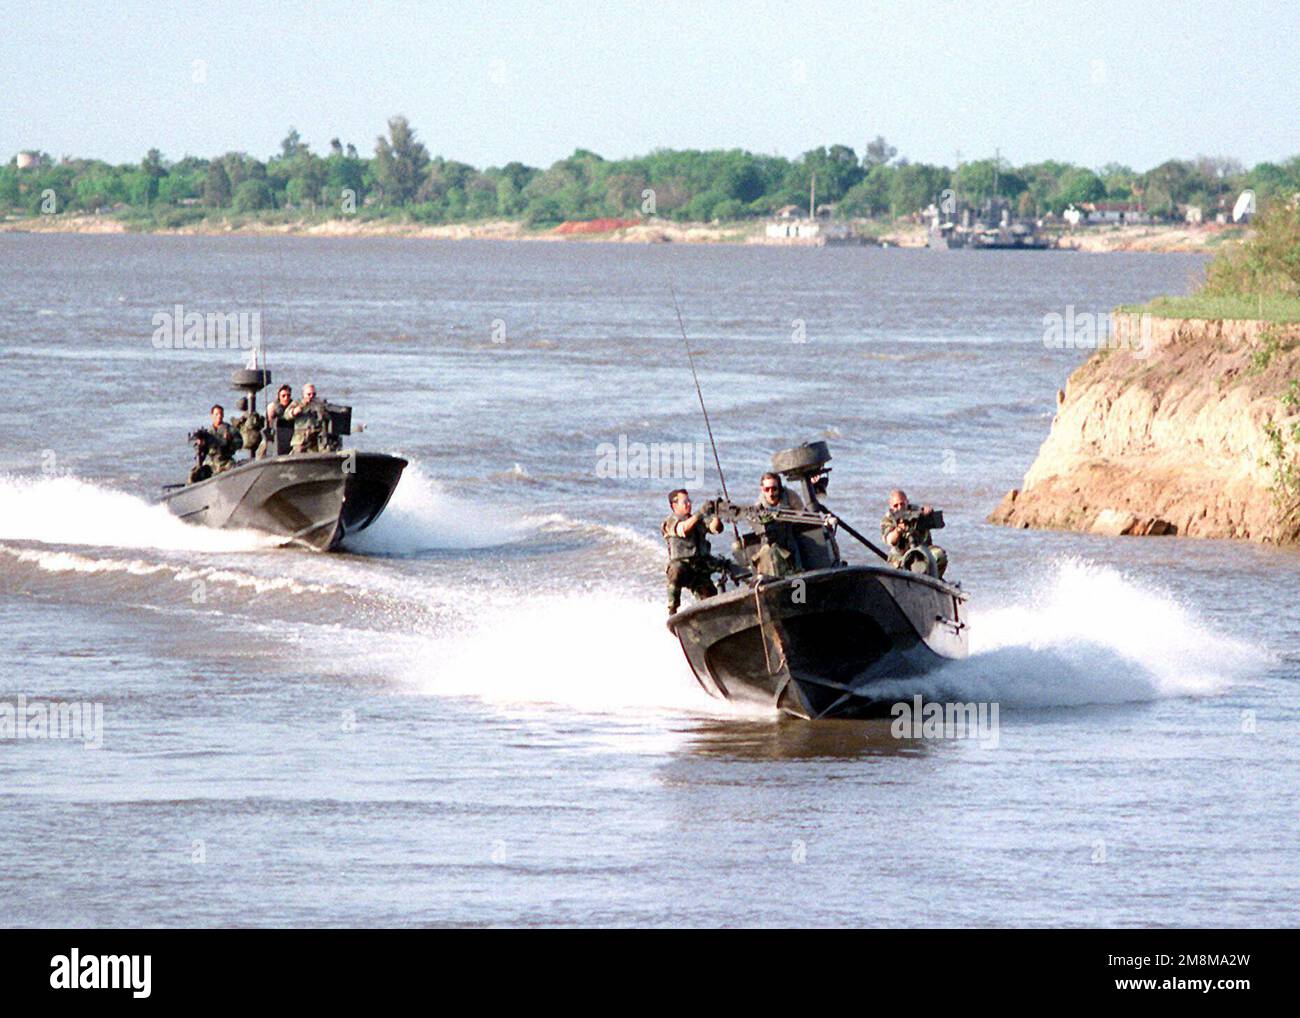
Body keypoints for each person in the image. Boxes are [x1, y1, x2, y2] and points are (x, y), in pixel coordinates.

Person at [662, 488, 726, 616]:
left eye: (689, 501)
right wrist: (700, 513)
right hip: (683, 567)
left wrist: (716, 515)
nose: (689, 504)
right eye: (684, 502)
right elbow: (683, 529)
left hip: (700, 567)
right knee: (675, 570)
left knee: (710, 600)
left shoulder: (697, 521)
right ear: (674, 505)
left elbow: (716, 529)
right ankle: (672, 608)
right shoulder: (669, 522)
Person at [881, 488, 948, 578]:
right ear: (891, 506)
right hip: (901, 555)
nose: (899, 507)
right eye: (895, 505)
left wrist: (927, 513)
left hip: (924, 550)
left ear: (907, 502)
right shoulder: (888, 519)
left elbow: (939, 523)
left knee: (939, 555)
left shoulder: (916, 511)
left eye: (902, 504)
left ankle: (933, 580)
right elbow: (890, 540)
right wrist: (898, 530)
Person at [752, 472, 804, 577]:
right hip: (769, 542)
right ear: (762, 490)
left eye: (774, 489)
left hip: (789, 536)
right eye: (767, 489)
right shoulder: (758, 506)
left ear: (779, 488)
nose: (771, 493)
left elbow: (802, 514)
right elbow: (755, 525)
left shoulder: (790, 496)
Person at [194, 404, 242, 479]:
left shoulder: (230, 429)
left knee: (233, 473)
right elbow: (201, 453)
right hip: (212, 462)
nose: (219, 416)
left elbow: (240, 444)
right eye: (216, 414)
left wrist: (230, 441)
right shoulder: (208, 432)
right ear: (212, 416)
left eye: (221, 414)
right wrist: (201, 445)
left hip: (226, 461)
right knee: (196, 474)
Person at [285, 383, 325, 454]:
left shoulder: (319, 403)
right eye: (309, 394)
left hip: (314, 437)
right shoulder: (297, 403)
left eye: (313, 394)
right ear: (303, 394)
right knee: (298, 453)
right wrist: (294, 411)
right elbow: (286, 415)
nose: (311, 396)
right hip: (300, 437)